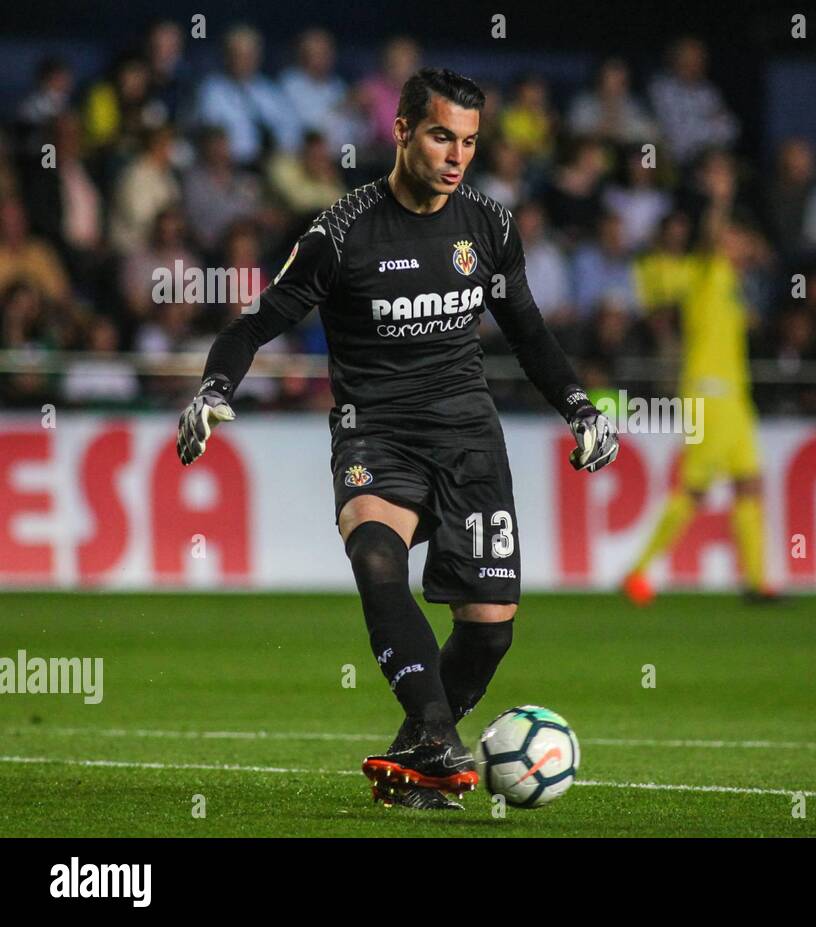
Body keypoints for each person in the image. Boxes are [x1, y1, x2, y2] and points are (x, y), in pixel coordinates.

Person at [175, 68, 618, 811]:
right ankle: (440, 739)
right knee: (376, 553)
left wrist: (581, 406)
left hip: (469, 434)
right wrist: (215, 387)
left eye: (471, 142)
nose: (457, 156)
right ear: (403, 130)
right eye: (443, 135)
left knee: (489, 630)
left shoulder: (489, 226)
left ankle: (419, 747)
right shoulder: (340, 232)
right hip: (375, 429)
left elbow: (529, 333)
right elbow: (255, 322)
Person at [622, 153, 775, 605]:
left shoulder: (730, 279)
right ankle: (638, 571)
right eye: (734, 238)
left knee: (749, 484)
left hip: (736, 399)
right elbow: (709, 241)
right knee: (695, 489)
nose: (739, 244)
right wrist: (719, 199)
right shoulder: (704, 270)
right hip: (709, 394)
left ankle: (758, 582)